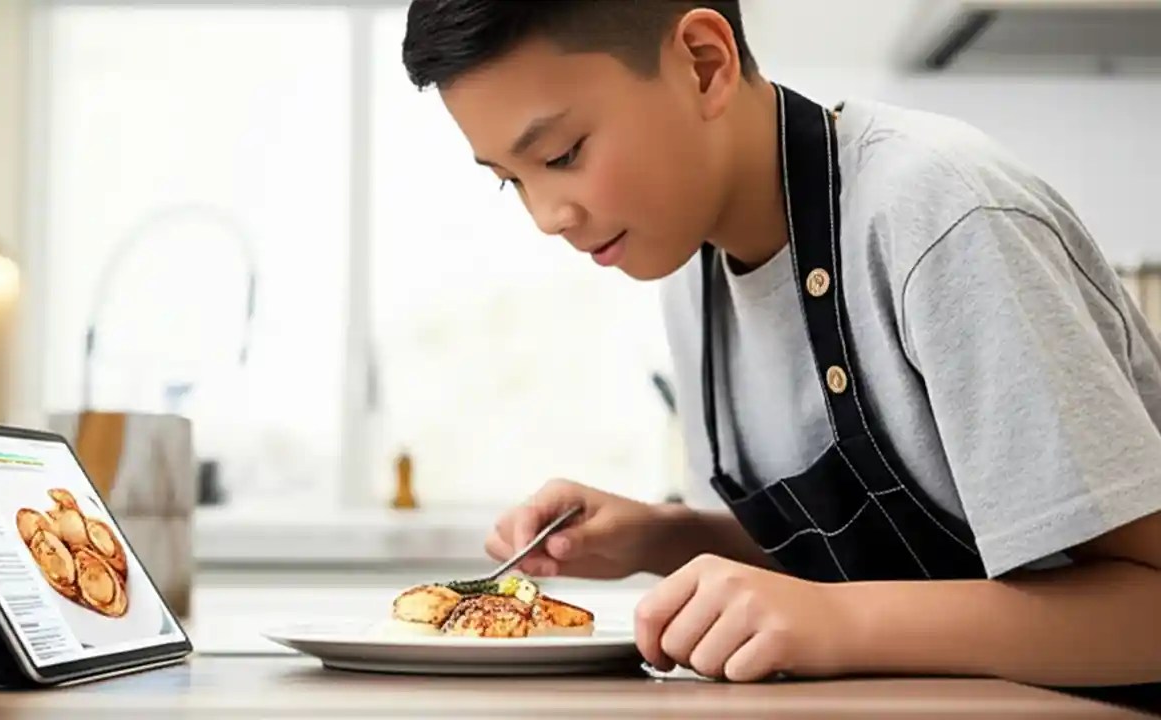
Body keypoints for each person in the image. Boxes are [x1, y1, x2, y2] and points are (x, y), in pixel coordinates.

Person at [400, 0, 1161, 691]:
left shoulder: (936, 217)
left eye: (563, 155)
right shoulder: (686, 268)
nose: (547, 216)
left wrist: (843, 625)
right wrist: (668, 537)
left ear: (704, 65)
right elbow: (851, 556)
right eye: (510, 180)